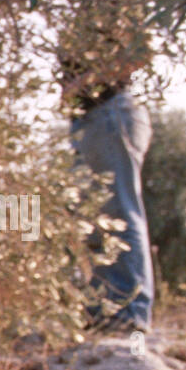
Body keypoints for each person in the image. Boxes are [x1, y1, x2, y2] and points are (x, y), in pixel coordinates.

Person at [60, 41, 155, 333]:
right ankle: (104, 308)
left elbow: (142, 52)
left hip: (110, 114)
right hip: (93, 119)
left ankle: (129, 311)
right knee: (94, 216)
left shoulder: (113, 1)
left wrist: (82, 82)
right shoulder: (84, 6)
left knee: (119, 211)